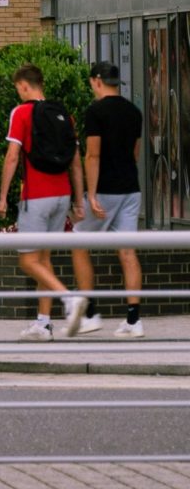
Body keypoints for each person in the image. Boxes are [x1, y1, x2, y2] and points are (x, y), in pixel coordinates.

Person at [0, 62, 88, 340]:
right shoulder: (63, 115)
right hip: (61, 196)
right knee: (44, 259)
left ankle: (70, 300)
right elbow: (75, 163)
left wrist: (2, 197)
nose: (18, 93)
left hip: (35, 196)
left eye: (18, 88)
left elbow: (13, 156)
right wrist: (79, 200)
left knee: (27, 261)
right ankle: (43, 323)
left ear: (24, 85)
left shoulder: (22, 113)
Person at [71, 62, 146, 337]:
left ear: (97, 81)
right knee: (127, 253)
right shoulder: (134, 111)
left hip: (105, 190)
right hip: (131, 188)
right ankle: (133, 321)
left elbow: (93, 155)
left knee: (79, 242)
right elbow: (135, 152)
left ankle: (90, 313)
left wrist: (90, 193)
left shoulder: (95, 111)